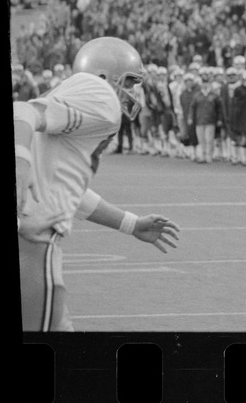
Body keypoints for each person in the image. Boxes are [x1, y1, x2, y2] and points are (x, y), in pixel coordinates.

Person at [15, 36, 180, 331]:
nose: (132, 93)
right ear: (104, 76)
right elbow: (20, 112)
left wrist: (130, 224)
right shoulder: (100, 94)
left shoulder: (70, 95)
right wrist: (19, 165)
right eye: (129, 82)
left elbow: (63, 187)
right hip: (33, 243)